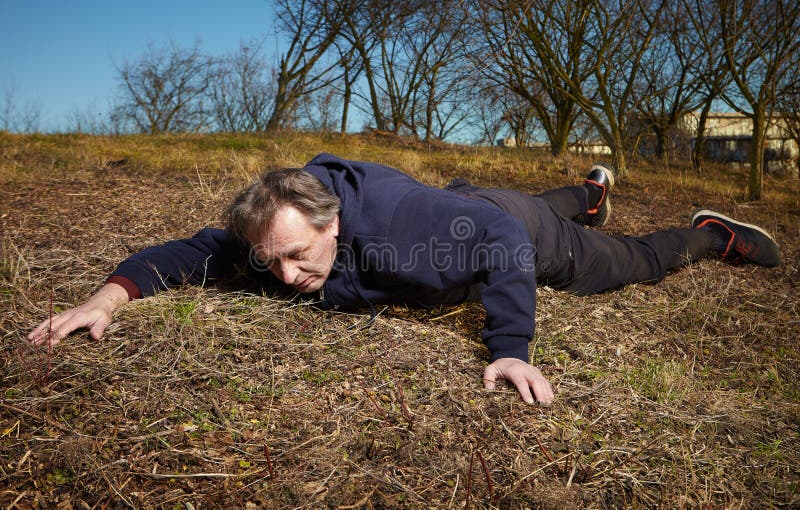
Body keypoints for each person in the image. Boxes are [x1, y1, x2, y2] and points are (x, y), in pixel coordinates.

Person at [28, 153, 782, 405]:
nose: (287, 276)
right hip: (458, 206)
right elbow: (187, 252)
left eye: (299, 256)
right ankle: (588, 190)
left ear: (334, 225)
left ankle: (711, 235)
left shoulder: (397, 228)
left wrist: (510, 344)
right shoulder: (275, 235)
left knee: (623, 263)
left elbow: (496, 240)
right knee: (494, 203)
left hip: (506, 230)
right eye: (272, 262)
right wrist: (105, 299)